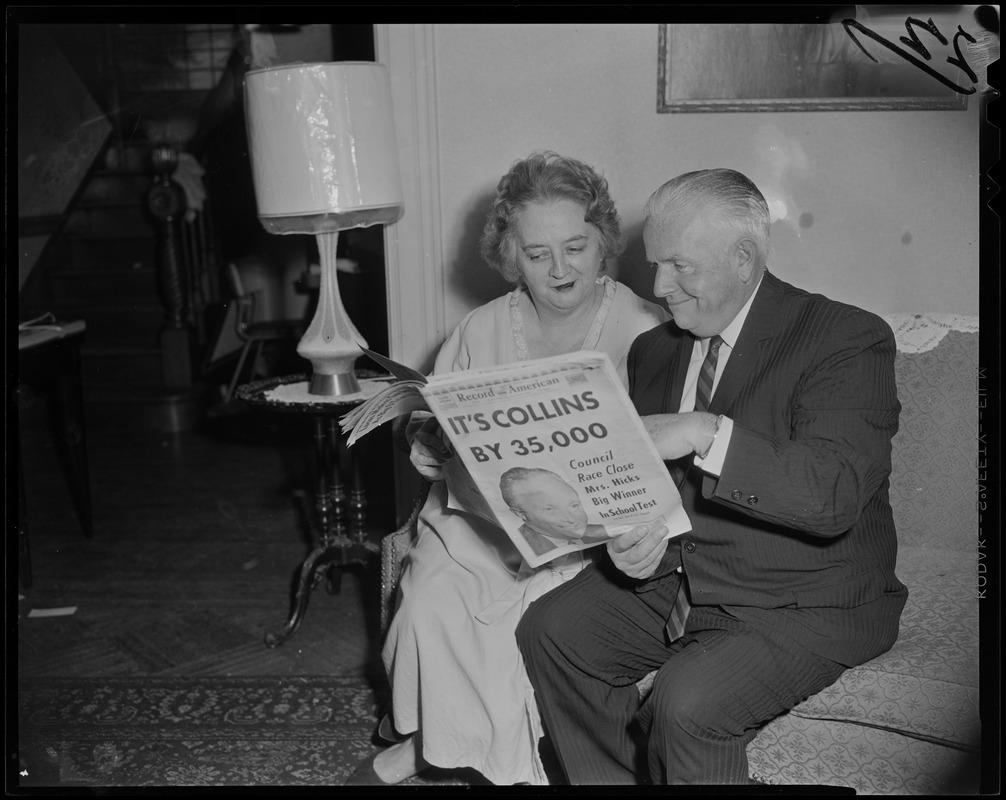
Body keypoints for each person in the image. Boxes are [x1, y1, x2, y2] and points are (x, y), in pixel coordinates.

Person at [516, 168, 908, 785]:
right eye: (654, 264)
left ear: (744, 258)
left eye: (679, 266)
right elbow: (650, 495)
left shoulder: (843, 338)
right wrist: (632, 544)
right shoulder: (657, 351)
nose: (659, 285)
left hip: (804, 599)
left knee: (687, 702)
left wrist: (705, 431)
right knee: (552, 631)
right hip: (685, 578)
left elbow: (832, 495)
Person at [344, 152, 668, 786]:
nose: (560, 268)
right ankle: (439, 744)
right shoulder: (481, 327)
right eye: (537, 253)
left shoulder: (648, 329)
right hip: (482, 524)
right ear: (510, 257)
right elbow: (437, 421)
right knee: (433, 599)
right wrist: (428, 446)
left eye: (576, 247)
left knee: (532, 622)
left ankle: (514, 769)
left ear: (603, 243)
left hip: (592, 533)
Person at [500, 467, 610, 557]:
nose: (571, 519)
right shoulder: (516, 553)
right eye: (550, 510)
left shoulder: (604, 531)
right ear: (520, 514)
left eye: (574, 505)